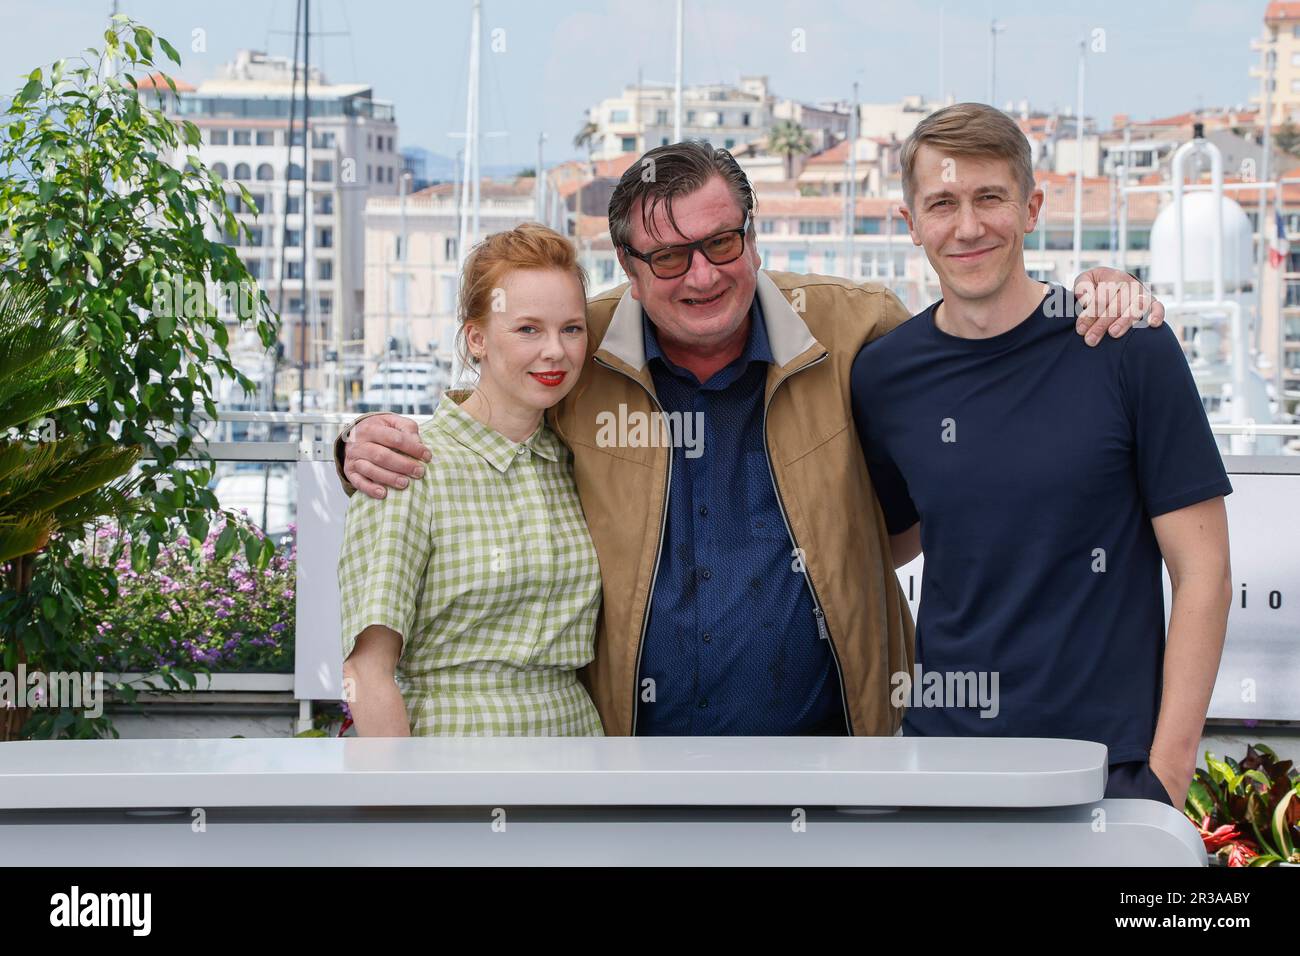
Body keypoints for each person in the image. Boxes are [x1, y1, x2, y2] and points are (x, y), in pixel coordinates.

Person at [337, 139, 1165, 737]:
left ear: (753, 234)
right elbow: (491, 404)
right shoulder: (577, 346)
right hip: (630, 775)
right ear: (627, 269)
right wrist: (355, 445)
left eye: (722, 242)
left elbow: (978, 355)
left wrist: (1089, 296)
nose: (702, 275)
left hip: (837, 767)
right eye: (668, 259)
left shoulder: (854, 325)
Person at [849, 103, 1232, 808]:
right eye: (942, 203)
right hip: (943, 765)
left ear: (1031, 208)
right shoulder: (884, 377)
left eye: (990, 197)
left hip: (1106, 771)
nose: (968, 226)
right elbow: (895, 537)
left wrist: (1166, 777)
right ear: (911, 225)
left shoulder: (1124, 344)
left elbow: (1203, 570)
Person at [338, 223, 604, 736]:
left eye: (571, 328)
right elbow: (366, 672)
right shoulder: (408, 467)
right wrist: (403, 808)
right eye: (528, 329)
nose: (555, 351)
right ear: (476, 338)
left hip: (576, 749)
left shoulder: (577, 461)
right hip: (452, 754)